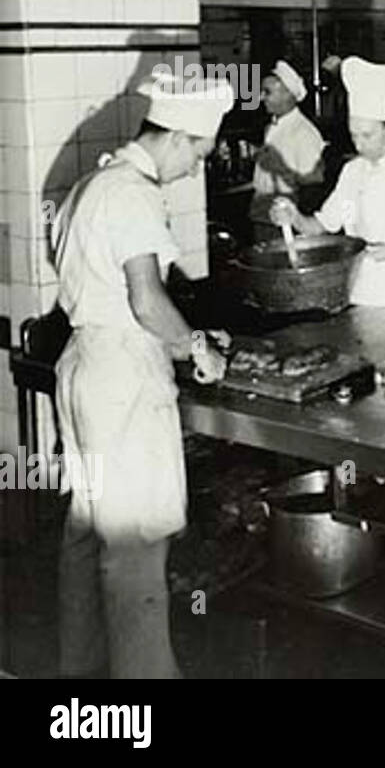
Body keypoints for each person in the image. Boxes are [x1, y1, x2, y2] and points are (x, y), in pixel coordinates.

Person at [53, 75, 233, 678]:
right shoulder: (132, 191)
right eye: (198, 156)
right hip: (122, 375)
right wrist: (197, 348)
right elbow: (146, 300)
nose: (192, 170)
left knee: (88, 532)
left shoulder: (90, 185)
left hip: (82, 366)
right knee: (135, 546)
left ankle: (79, 681)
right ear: (178, 138)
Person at [271, 56, 385, 308]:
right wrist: (294, 217)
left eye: (367, 135)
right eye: (354, 134)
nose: (359, 144)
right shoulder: (352, 171)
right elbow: (323, 224)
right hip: (355, 292)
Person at [249, 59, 325, 242]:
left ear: (288, 94)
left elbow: (315, 182)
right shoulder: (273, 127)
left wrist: (282, 170)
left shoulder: (303, 132)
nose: (261, 97)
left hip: (286, 219)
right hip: (263, 213)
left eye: (267, 92)